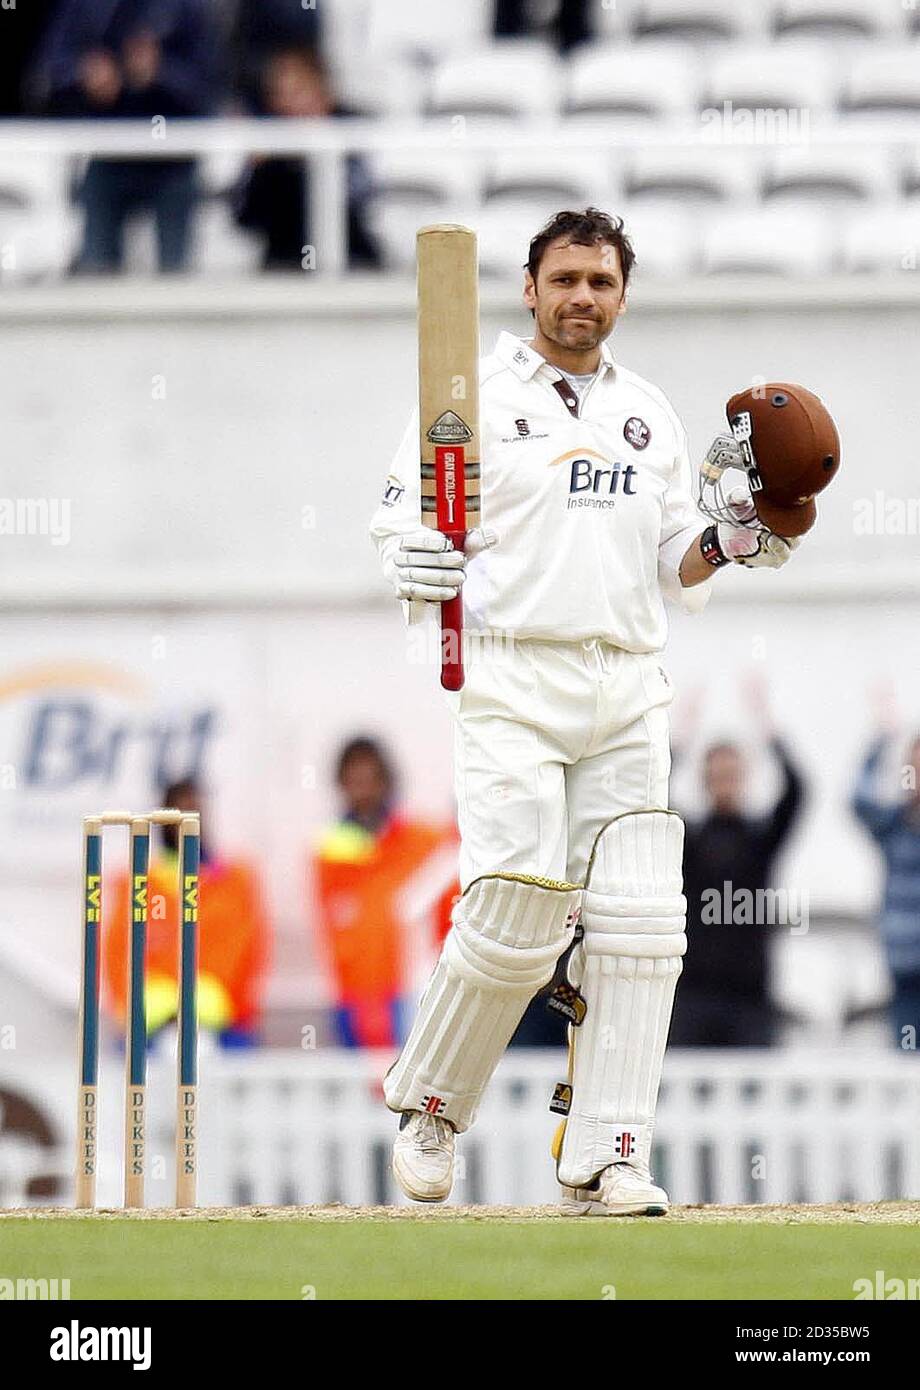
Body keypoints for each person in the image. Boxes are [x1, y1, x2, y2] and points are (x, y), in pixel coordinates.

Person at [369, 207, 801, 1214]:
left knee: (639, 923)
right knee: (515, 908)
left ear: (620, 293)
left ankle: (603, 1153)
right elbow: (399, 518)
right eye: (563, 279)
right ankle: (432, 1107)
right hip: (511, 676)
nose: (581, 298)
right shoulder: (465, 397)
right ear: (529, 287)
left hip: (625, 679)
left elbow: (676, 559)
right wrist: (412, 555)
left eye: (600, 282)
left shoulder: (646, 412)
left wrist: (735, 540)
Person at [34, 0, 220, 272]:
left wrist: (160, 73)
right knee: (97, 271)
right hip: (108, 156)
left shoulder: (188, 8)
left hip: (174, 161)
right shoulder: (86, 7)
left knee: (177, 277)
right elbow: (50, 69)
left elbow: (210, 88)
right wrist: (86, 73)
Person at [670, 679, 805, 1047]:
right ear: (705, 781)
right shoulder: (690, 842)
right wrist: (681, 737)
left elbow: (797, 791)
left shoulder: (759, 841)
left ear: (743, 778)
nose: (724, 782)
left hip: (750, 998)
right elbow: (652, 795)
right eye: (717, 775)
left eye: (731, 774)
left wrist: (765, 724)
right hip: (693, 993)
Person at [313, 737, 457, 1049]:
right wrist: (366, 1002)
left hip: (415, 991)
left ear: (386, 781)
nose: (363, 789)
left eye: (370, 779)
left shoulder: (423, 839)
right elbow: (342, 938)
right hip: (357, 1002)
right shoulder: (330, 855)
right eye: (354, 780)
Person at [103, 777, 270, 1046]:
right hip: (150, 1028)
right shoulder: (137, 883)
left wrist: (206, 1002)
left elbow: (248, 952)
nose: (184, 823)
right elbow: (119, 955)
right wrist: (159, 1004)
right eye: (177, 812)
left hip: (222, 1026)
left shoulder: (235, 880)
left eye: (194, 810)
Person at [234, 45, 380, 271]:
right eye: (280, 94)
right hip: (283, 263)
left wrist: (314, 161)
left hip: (351, 258)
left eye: (298, 92)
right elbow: (245, 218)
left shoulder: (350, 133)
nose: (288, 104)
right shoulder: (267, 145)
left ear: (323, 91)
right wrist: (263, 171)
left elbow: (360, 199)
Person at [852, 694, 920, 1050]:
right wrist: (881, 740)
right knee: (908, 1060)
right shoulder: (894, 824)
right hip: (904, 963)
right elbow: (858, 799)